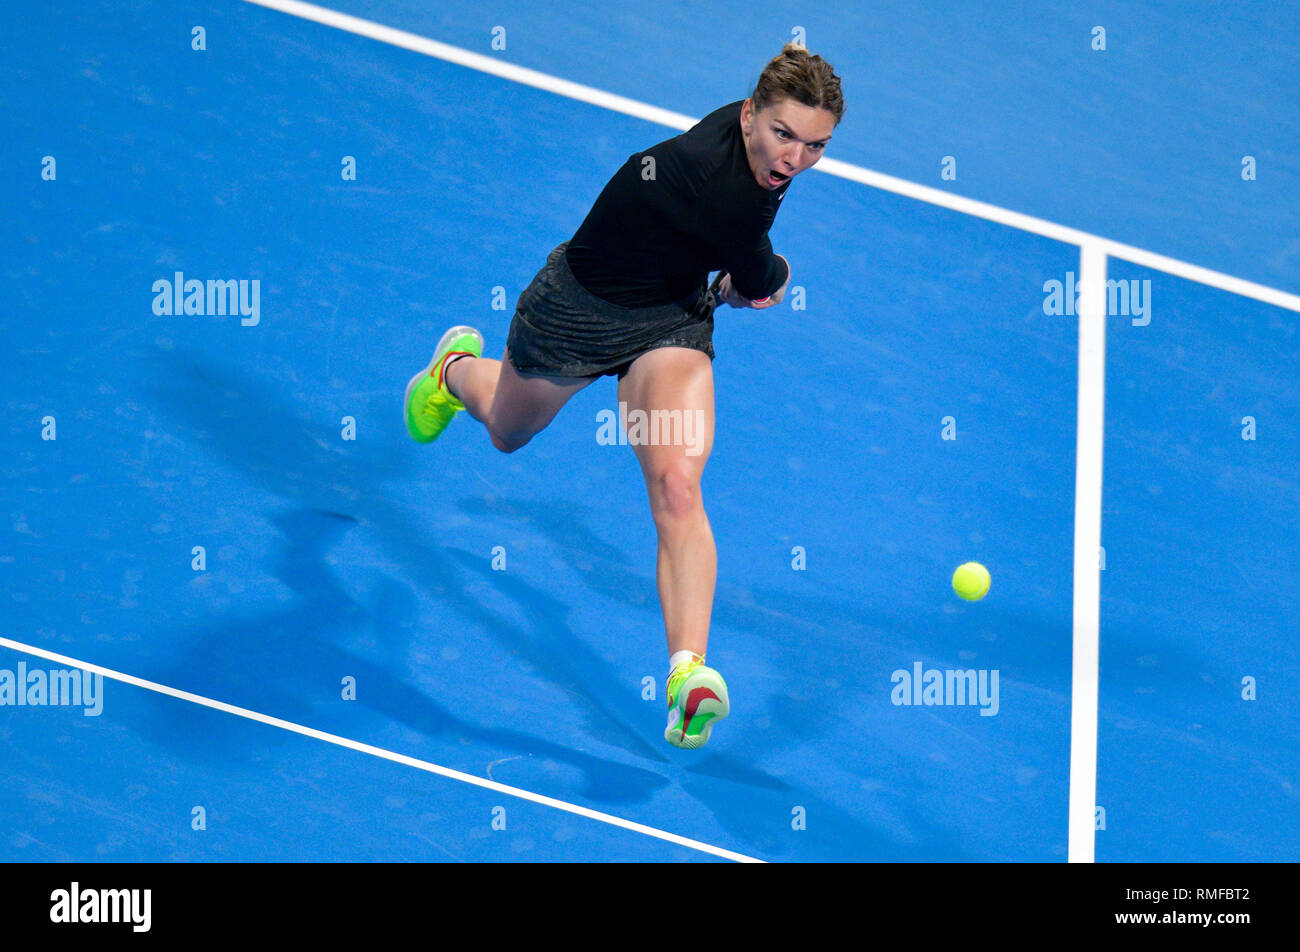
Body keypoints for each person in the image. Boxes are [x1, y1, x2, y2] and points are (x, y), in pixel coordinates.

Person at [404, 43, 844, 748]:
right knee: (507, 431)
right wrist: (765, 277)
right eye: (785, 135)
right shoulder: (727, 189)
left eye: (816, 145)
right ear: (750, 115)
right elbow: (758, 276)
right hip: (575, 311)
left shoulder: (756, 148)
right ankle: (453, 370)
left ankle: (687, 675)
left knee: (676, 485)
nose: (795, 159)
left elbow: (739, 262)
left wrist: (735, 280)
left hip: (669, 318)